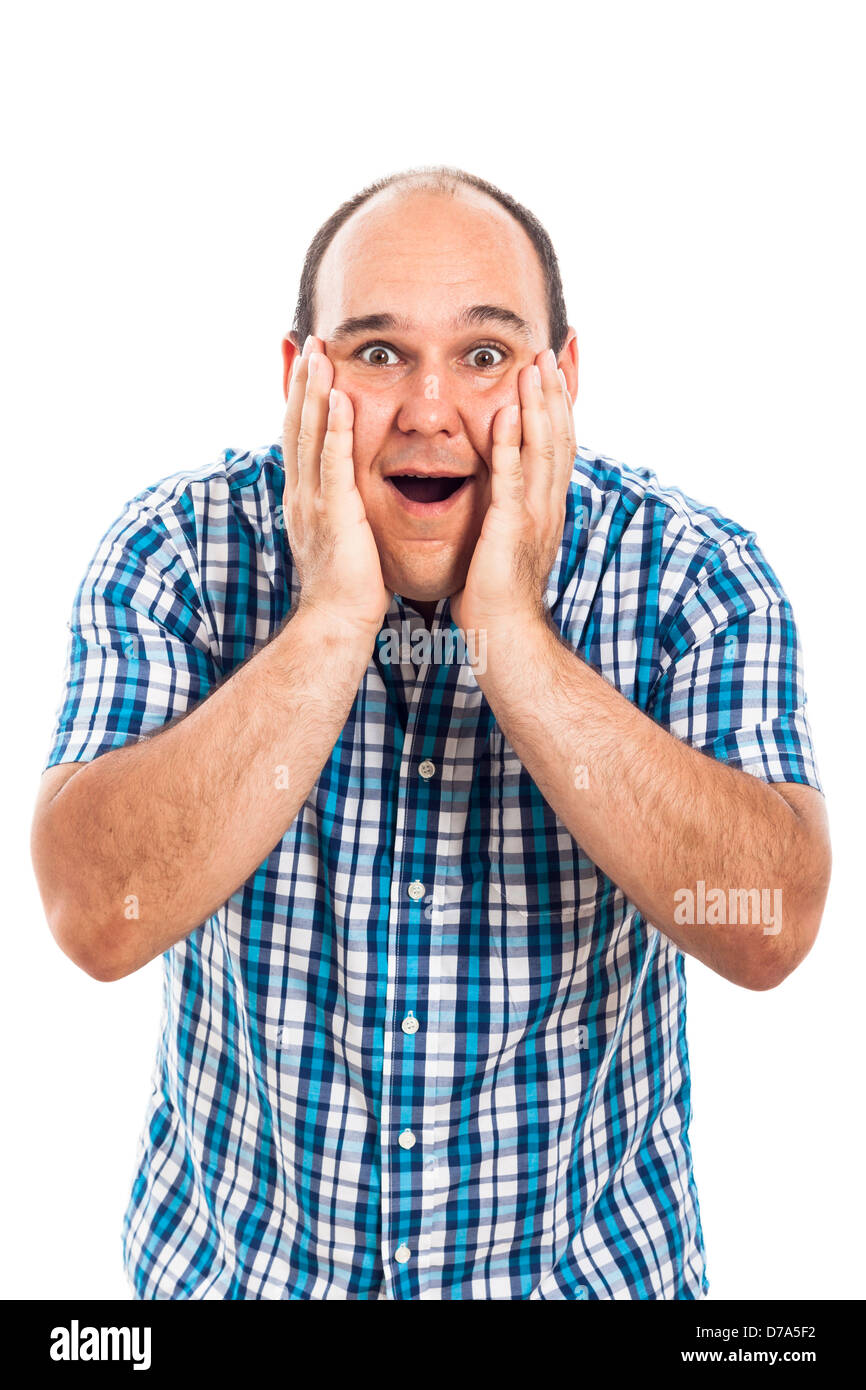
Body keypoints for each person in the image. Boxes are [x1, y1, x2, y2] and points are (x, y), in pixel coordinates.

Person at [30, 166, 831, 1301]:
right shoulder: (174, 552)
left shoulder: (691, 574)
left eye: (486, 354)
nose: (427, 408)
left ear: (561, 377)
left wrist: (507, 627)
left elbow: (768, 928)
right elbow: (95, 916)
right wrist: (330, 622)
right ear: (297, 375)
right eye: (375, 352)